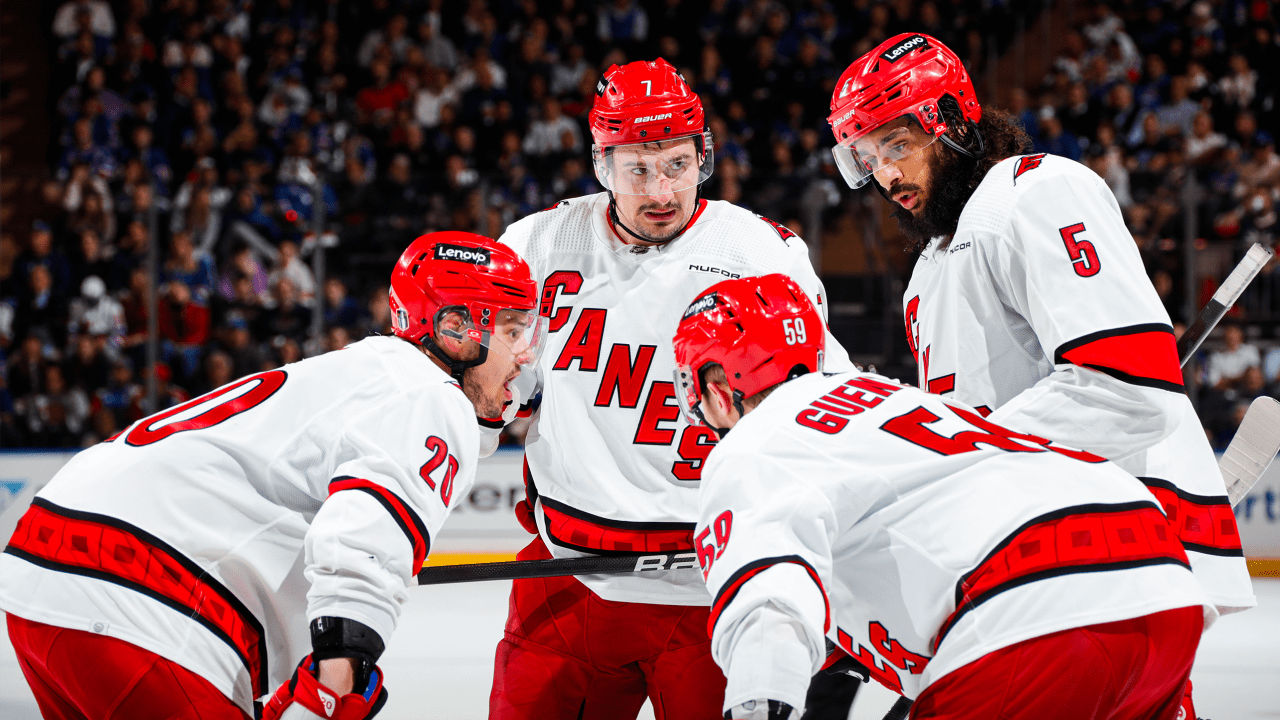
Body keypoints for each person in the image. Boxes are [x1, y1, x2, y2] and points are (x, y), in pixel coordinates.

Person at [826, 33, 1253, 716]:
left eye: (897, 144)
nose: (885, 175)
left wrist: (952, 457)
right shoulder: (930, 270)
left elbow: (1128, 389)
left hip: (1095, 575)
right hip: (1037, 580)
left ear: (951, 120)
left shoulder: (1036, 191)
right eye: (866, 159)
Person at [0, 232, 548, 720]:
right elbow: (365, 537)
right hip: (142, 592)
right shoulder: (431, 396)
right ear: (456, 330)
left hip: (49, 560)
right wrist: (338, 675)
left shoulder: (371, 373)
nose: (525, 354)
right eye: (512, 328)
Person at [486, 58, 854, 720]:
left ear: (703, 156)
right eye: (638, 169)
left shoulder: (759, 255)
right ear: (602, 164)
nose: (661, 191)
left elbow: (819, 409)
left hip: (713, 586)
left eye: (678, 165)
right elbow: (494, 395)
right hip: (570, 578)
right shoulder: (537, 245)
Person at [672, 274, 1212, 720]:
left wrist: (758, 701)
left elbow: (769, 605)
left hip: (1027, 607)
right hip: (1160, 581)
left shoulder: (754, 444)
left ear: (717, 389)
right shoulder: (901, 397)